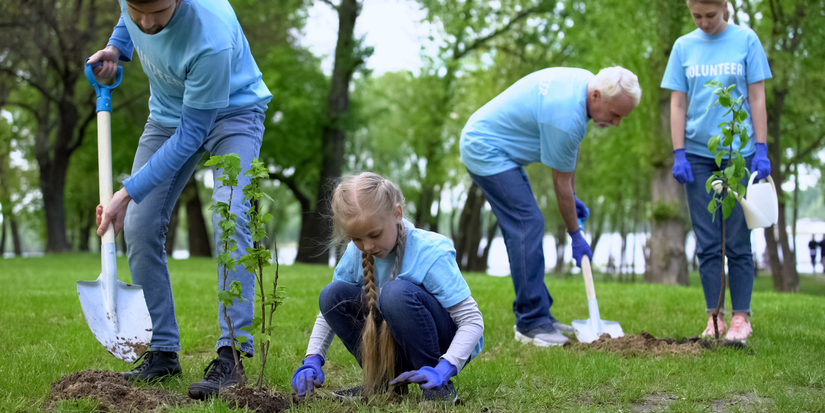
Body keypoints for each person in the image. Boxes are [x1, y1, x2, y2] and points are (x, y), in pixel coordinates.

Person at [88, 0, 272, 399]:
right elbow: (127, 19)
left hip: (234, 114)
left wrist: (127, 191)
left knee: (231, 215)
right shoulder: (134, 8)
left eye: (158, 11)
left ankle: (232, 355)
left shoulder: (210, 36)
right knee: (138, 225)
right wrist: (116, 48)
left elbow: (191, 135)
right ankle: (162, 351)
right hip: (167, 116)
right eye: (137, 10)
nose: (147, 23)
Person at [459, 66, 641, 346]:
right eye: (616, 114)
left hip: (498, 147)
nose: (617, 123)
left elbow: (569, 161)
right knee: (527, 224)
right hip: (484, 148)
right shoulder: (566, 118)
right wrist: (575, 234)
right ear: (597, 96)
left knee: (528, 224)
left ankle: (540, 313)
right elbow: (560, 184)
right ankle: (531, 322)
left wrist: (573, 196)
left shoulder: (585, 84)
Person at [290, 172, 484, 403]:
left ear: (397, 213)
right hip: (398, 346)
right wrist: (312, 359)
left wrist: (445, 367)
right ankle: (383, 383)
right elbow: (329, 310)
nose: (367, 246)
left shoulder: (430, 251)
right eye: (356, 239)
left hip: (441, 348)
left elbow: (472, 321)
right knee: (332, 295)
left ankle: (437, 389)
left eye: (374, 234)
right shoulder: (356, 253)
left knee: (395, 294)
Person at [662, 0, 772, 341]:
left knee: (737, 239)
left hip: (737, 153)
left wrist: (761, 148)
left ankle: (741, 317)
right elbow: (678, 102)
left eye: (710, 15)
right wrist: (679, 152)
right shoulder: (683, 47)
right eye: (696, 16)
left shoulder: (746, 40)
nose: (704, 22)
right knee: (708, 241)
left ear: (724, 7)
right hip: (697, 154)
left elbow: (756, 97)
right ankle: (714, 317)